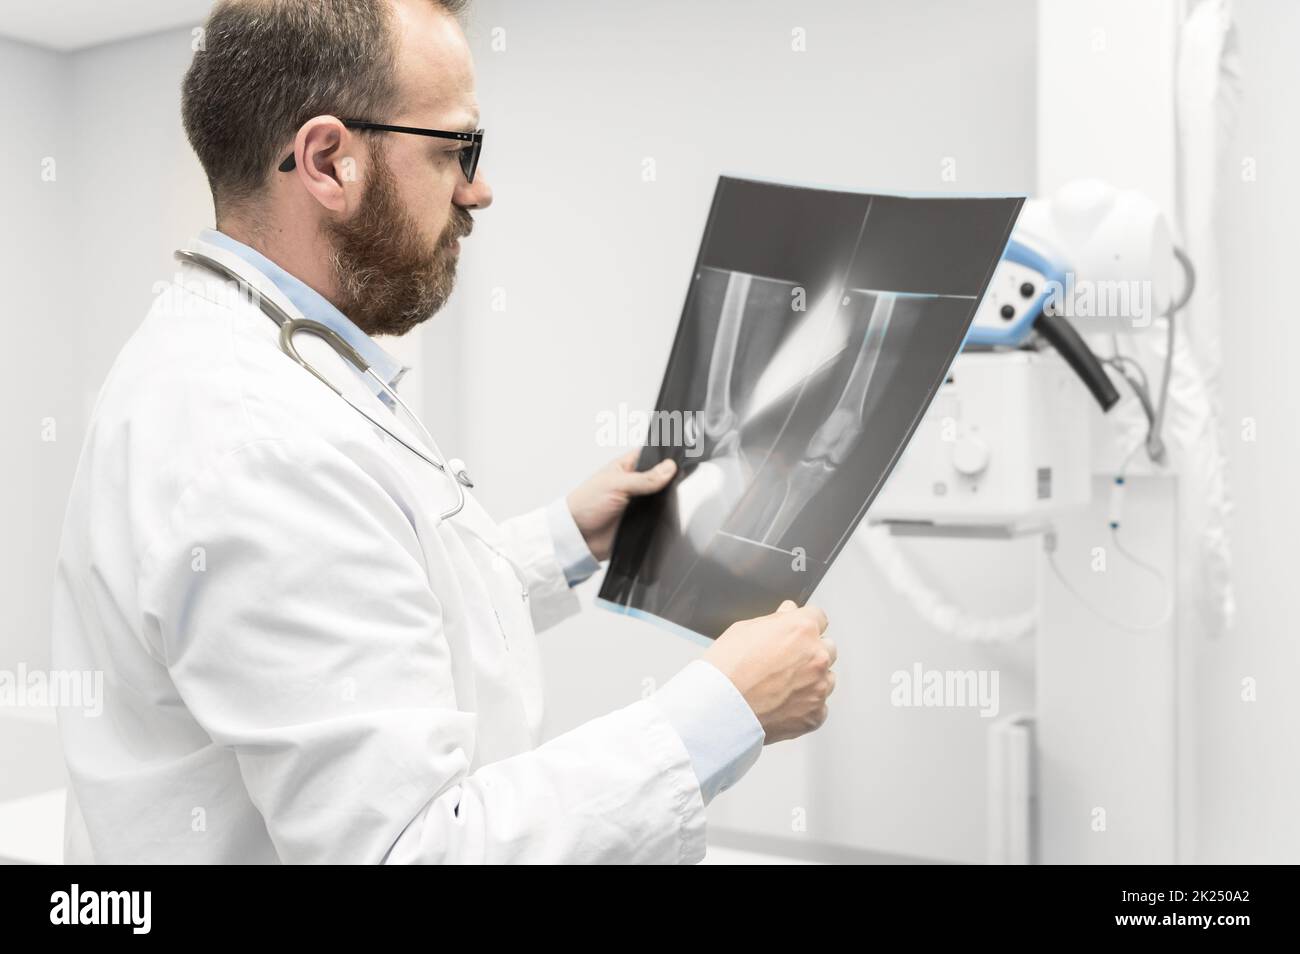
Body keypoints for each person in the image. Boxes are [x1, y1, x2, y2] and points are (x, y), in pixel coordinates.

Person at [51, 0, 836, 864]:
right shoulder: (260, 439)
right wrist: (724, 710)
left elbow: (375, 606)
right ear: (327, 161)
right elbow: (411, 851)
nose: (479, 189)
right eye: (457, 148)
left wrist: (567, 536)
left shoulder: (264, 359)